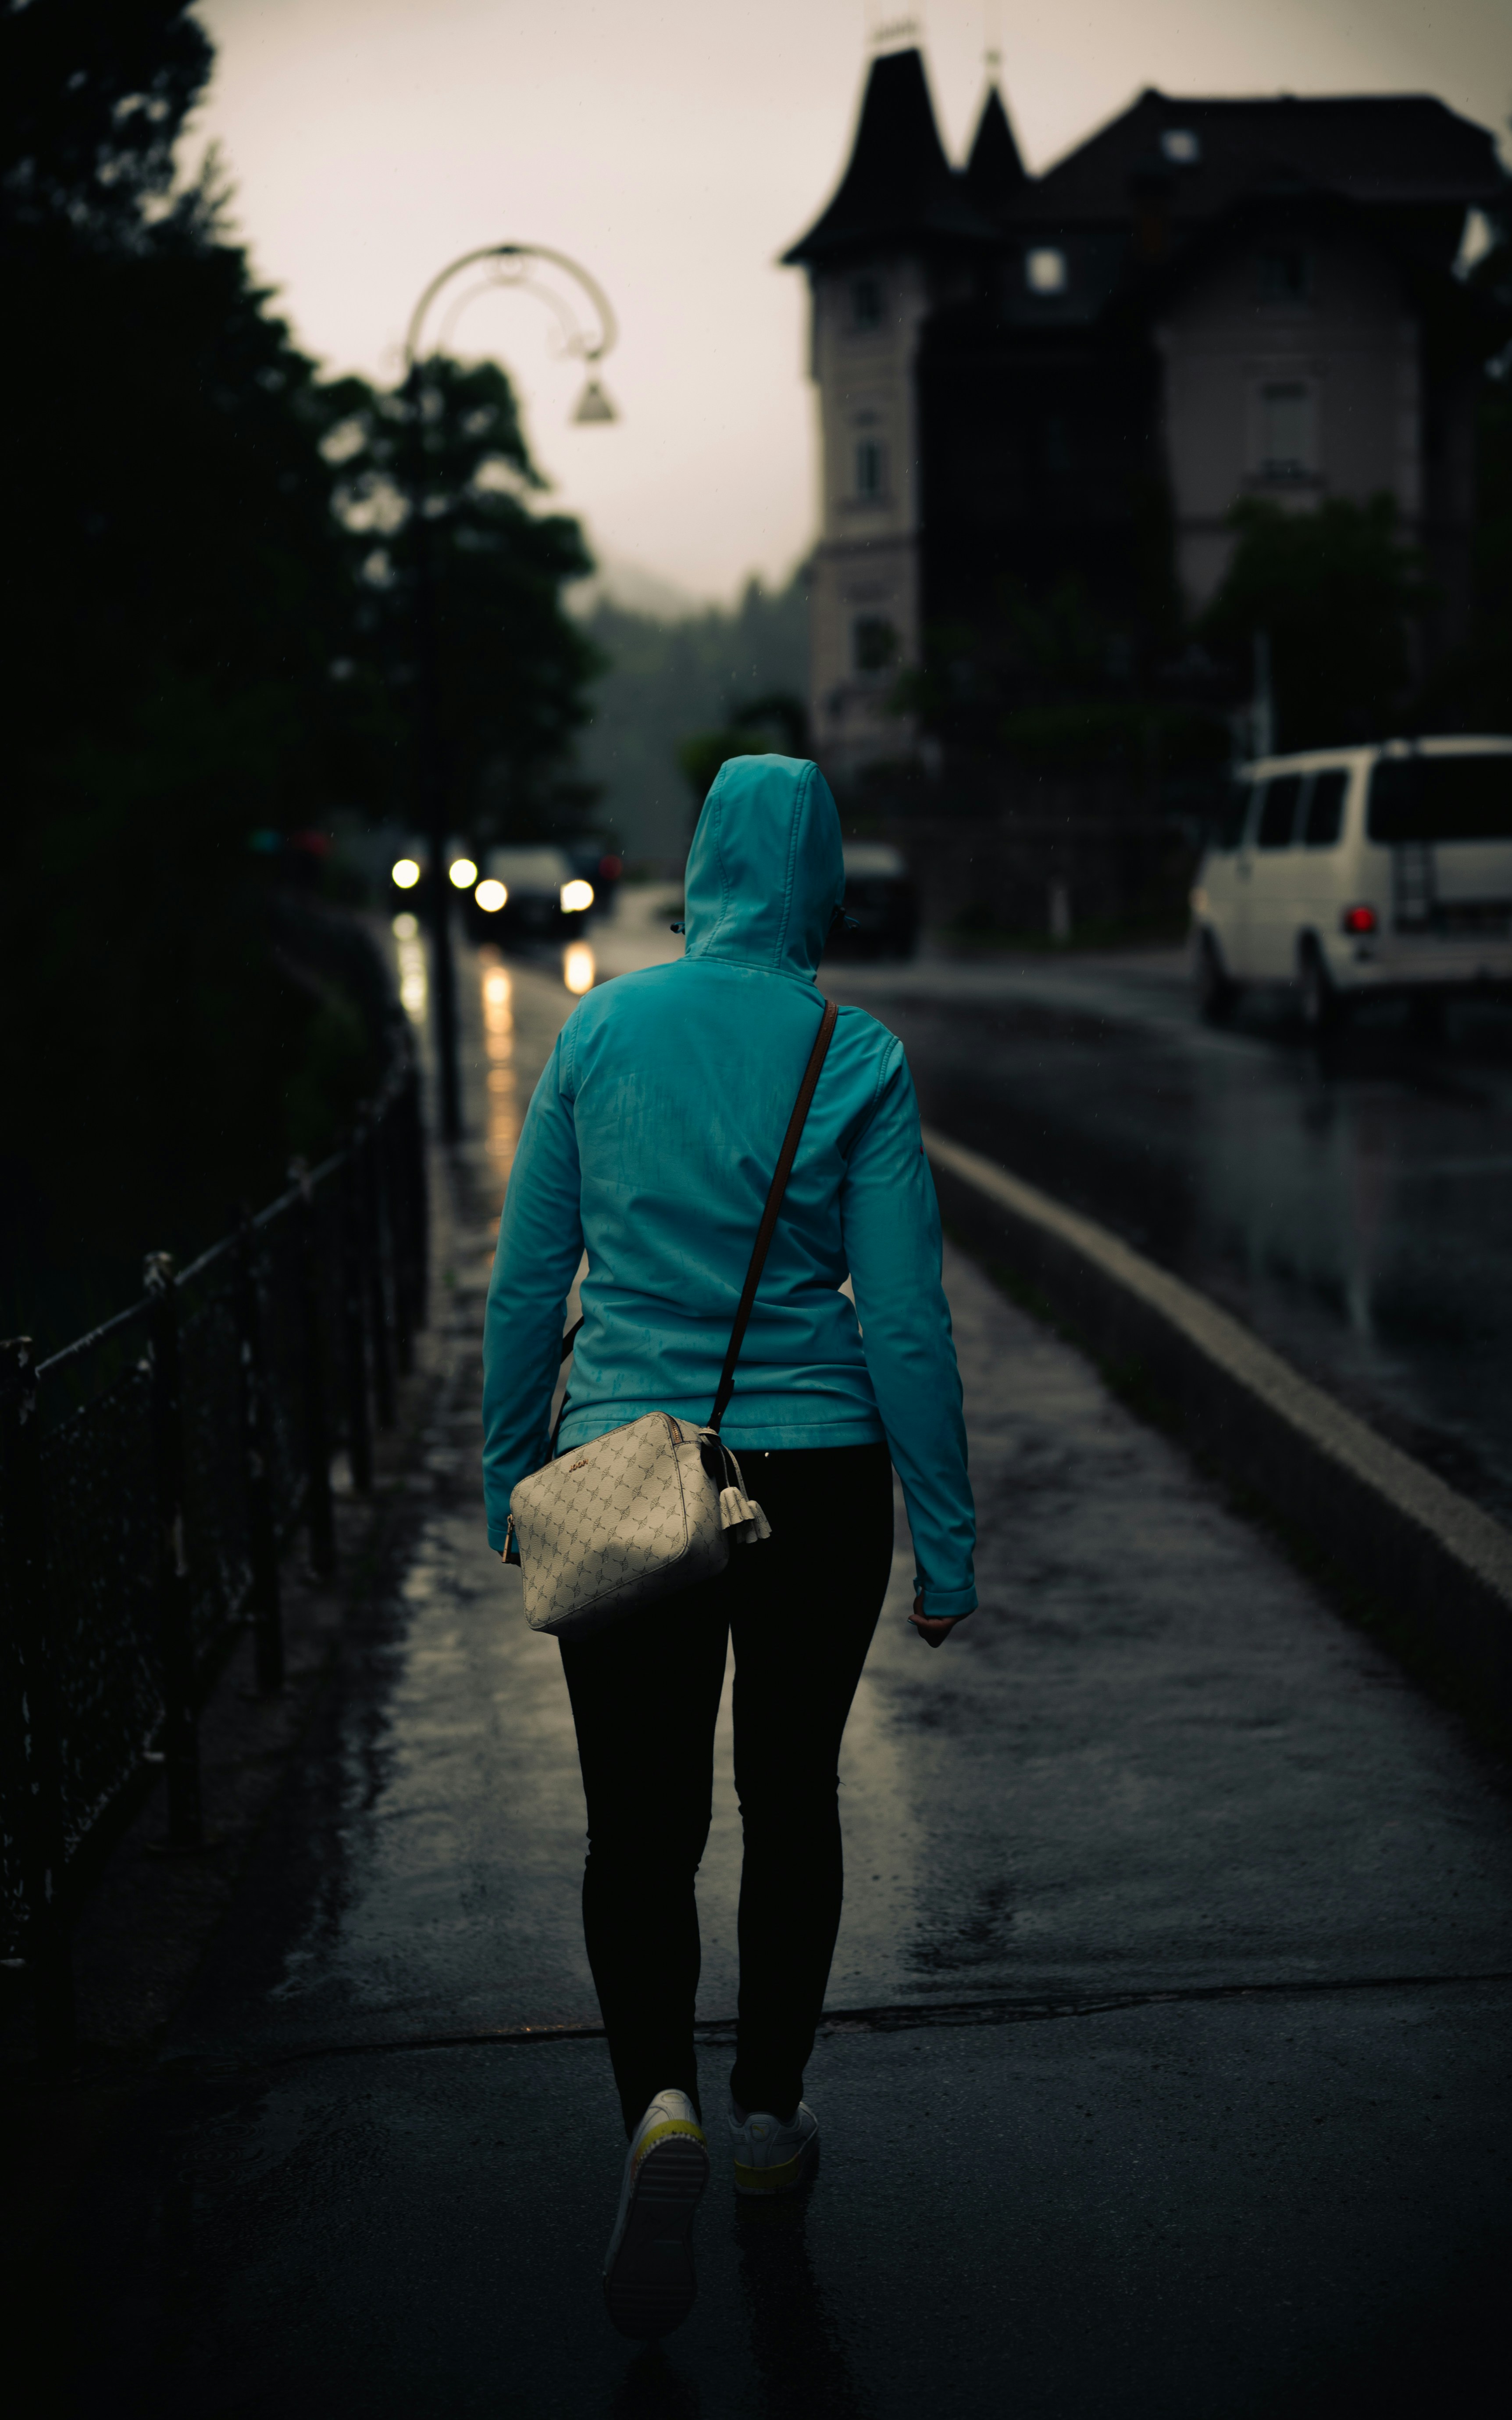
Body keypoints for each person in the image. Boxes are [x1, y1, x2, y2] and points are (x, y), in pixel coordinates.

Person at [481, 754, 976, 2339]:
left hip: (626, 1462)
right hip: (820, 1479)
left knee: (638, 1827)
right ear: (817, 872)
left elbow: (522, 1284)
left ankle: (658, 2112)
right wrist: (946, 1543)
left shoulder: (601, 1029)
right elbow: (902, 1319)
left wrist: (510, 1469)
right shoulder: (857, 1051)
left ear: (700, 863)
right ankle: (766, 2119)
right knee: (788, 1794)